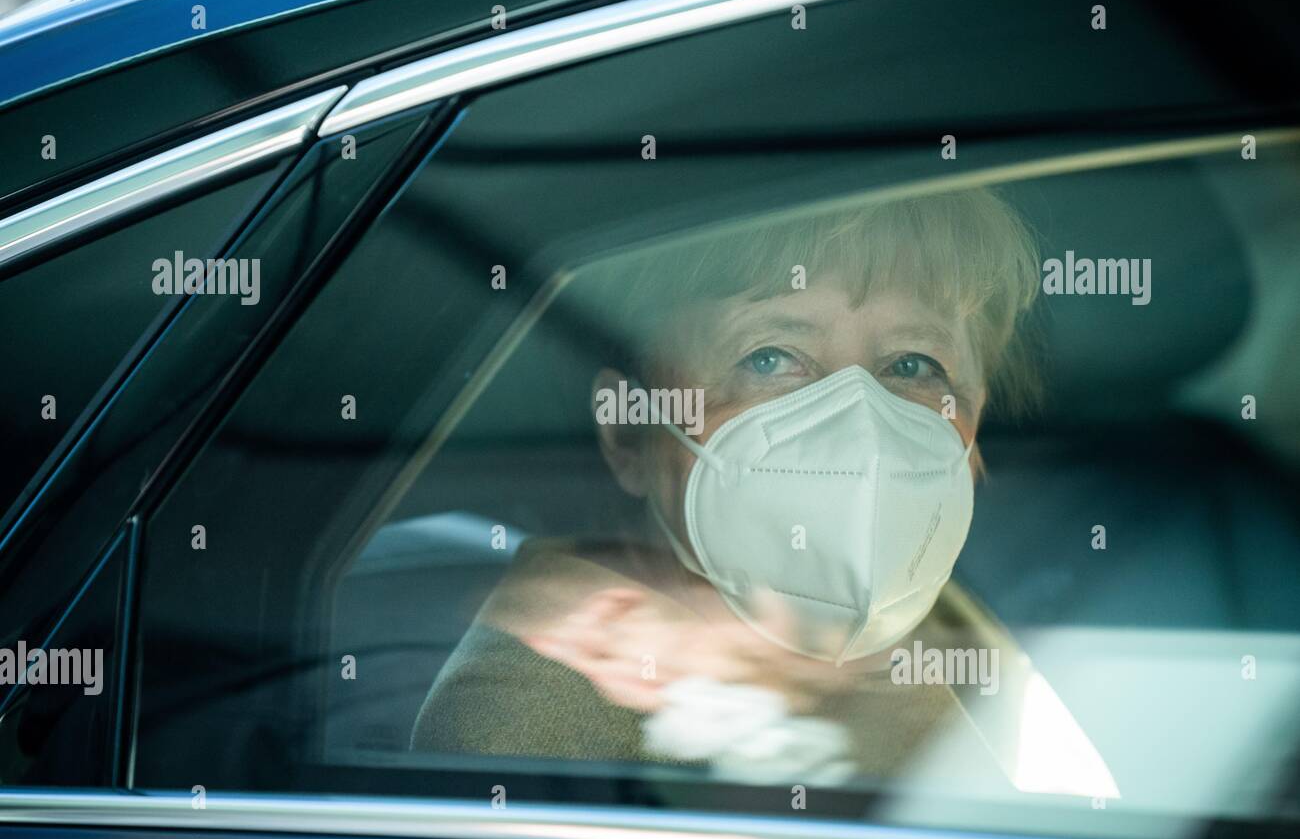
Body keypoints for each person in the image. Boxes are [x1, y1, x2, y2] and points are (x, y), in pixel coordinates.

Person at [411, 189, 1105, 791]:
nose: (858, 422)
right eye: (770, 358)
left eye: (912, 364)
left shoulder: (949, 622)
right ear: (628, 433)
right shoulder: (527, 725)